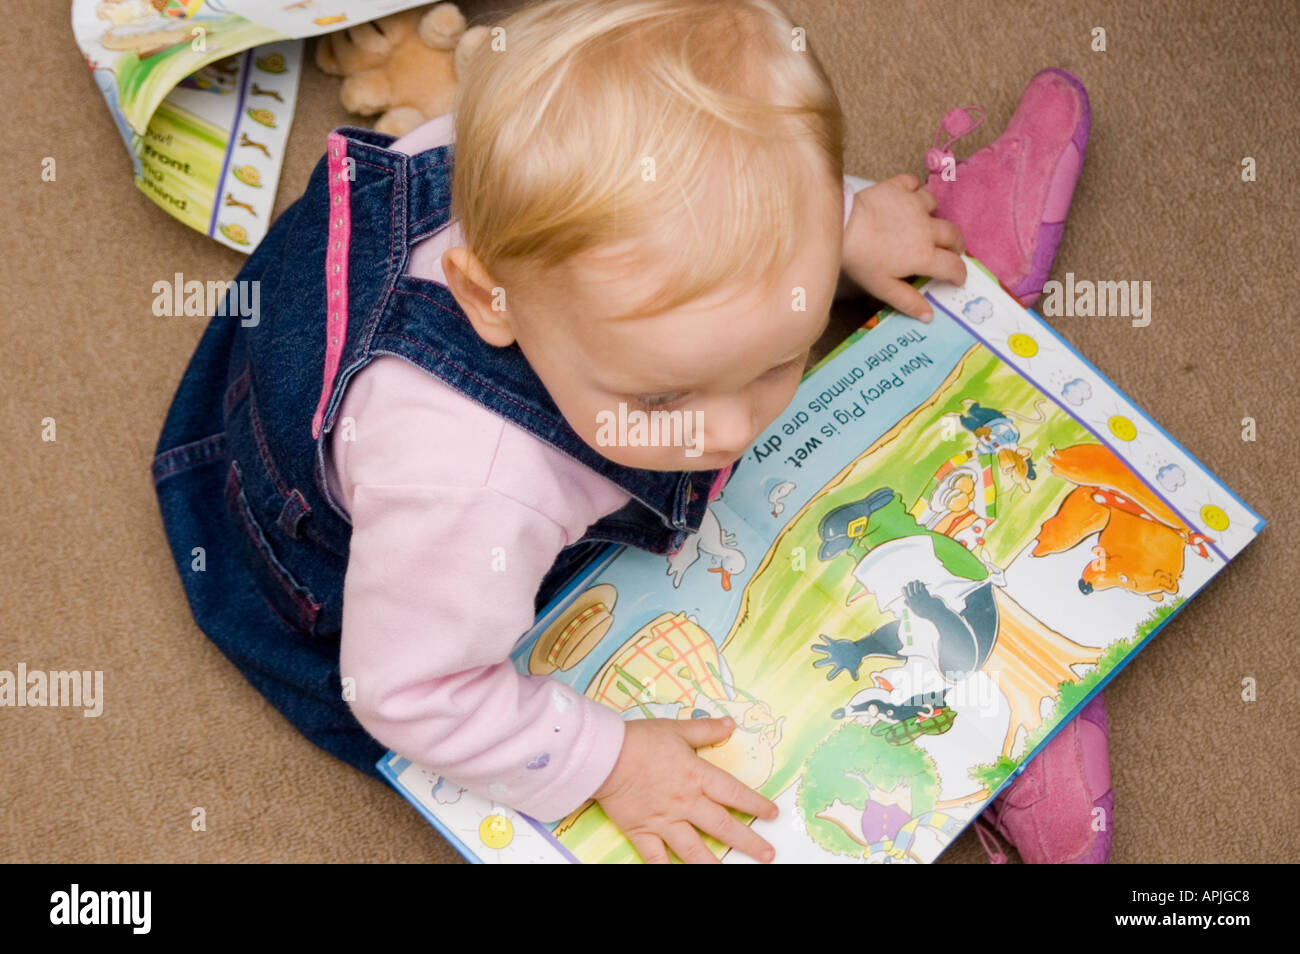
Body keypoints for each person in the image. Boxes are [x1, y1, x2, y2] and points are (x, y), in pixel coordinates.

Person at [151, 0, 1103, 864]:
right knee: (690, 744)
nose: (729, 433)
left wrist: (842, 227)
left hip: (340, 316)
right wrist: (605, 763)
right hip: (329, 566)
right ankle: (984, 755)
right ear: (494, 300)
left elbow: (735, 182)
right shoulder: (471, 488)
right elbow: (404, 694)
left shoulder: (543, 178)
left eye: (783, 356)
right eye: (662, 400)